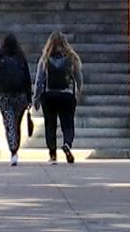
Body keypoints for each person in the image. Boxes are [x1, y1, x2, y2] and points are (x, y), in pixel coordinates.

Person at [33, 31, 84, 164]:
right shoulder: (72, 58)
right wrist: (78, 91)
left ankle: (52, 154)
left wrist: (36, 98)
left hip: (49, 95)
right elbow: (79, 78)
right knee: (68, 123)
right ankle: (67, 143)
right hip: (67, 95)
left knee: (50, 125)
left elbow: (39, 80)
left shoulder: (44, 59)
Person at [0, 32, 33, 166]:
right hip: (20, 96)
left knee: (9, 123)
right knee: (17, 123)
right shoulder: (21, 57)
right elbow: (27, 79)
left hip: (4, 95)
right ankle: (15, 147)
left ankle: (13, 151)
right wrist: (29, 98)